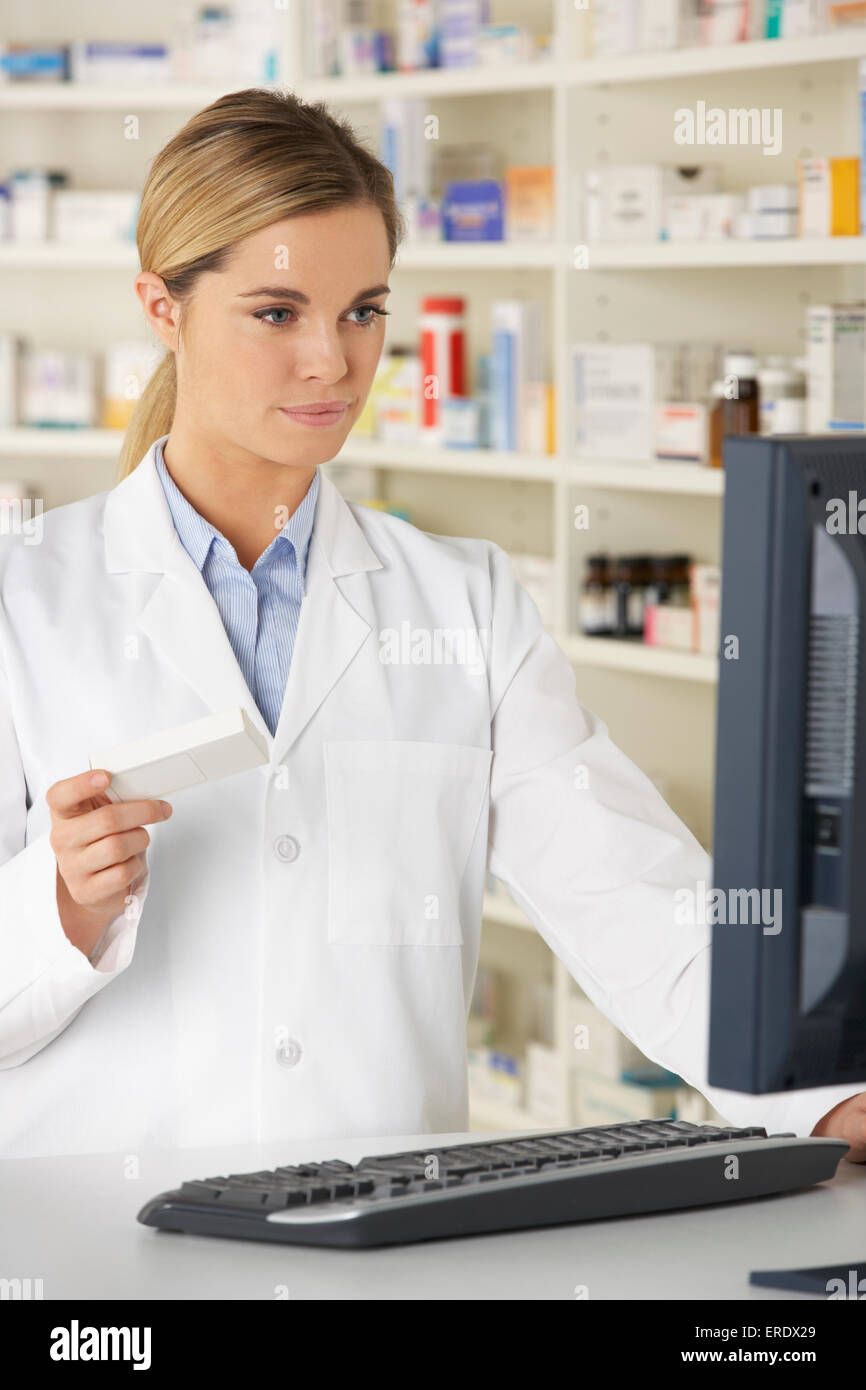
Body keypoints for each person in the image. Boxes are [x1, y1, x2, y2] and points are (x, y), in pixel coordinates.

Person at [0, 89, 863, 1160]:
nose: (332, 360)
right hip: (103, 1255)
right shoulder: (22, 598)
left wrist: (816, 1093)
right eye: (277, 313)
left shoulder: (464, 600)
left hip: (376, 1240)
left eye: (363, 309)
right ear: (161, 307)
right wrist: (59, 911)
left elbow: (628, 898)